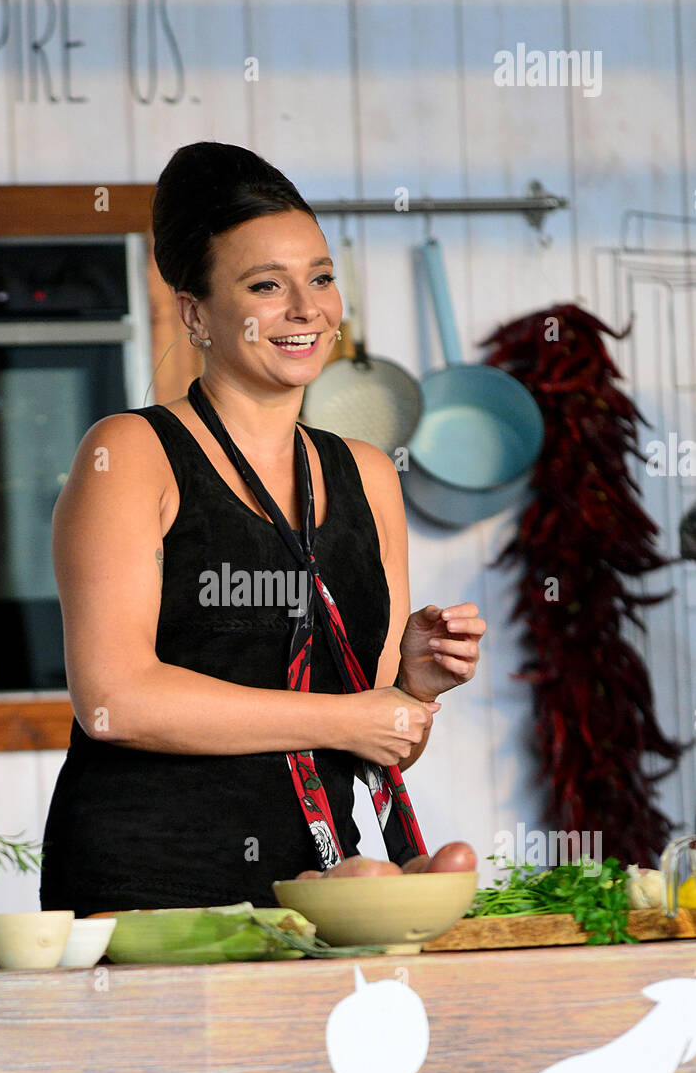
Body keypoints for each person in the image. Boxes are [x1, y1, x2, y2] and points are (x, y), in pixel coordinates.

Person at [40, 141, 485, 915]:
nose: (306, 309)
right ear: (195, 313)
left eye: (319, 278)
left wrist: (412, 687)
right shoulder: (130, 453)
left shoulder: (368, 475)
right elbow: (116, 698)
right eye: (265, 286)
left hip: (321, 887)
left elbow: (380, 739)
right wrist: (350, 713)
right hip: (150, 887)